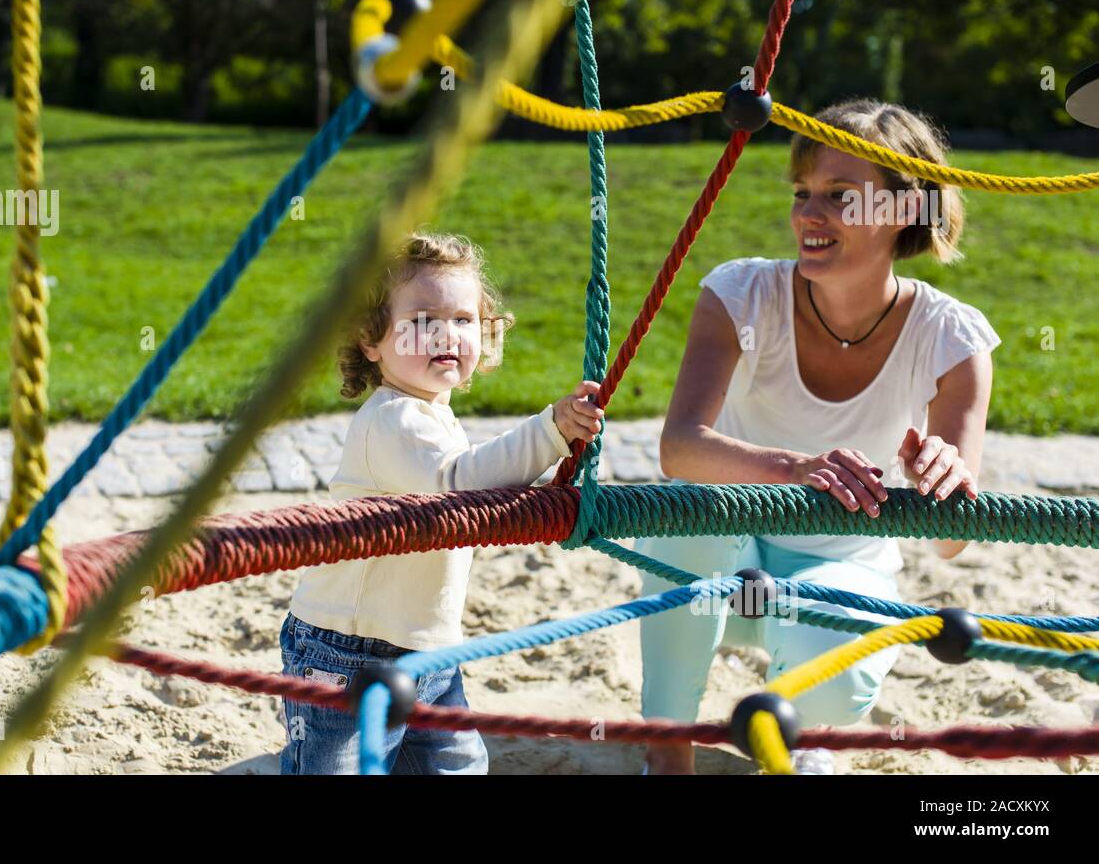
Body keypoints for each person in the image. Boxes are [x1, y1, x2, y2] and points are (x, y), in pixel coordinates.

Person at [638, 98, 1000, 775]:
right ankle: (667, 748)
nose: (809, 213)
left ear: (904, 211)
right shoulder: (740, 293)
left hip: (837, 568)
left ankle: (810, 732)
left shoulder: (953, 338)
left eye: (840, 195)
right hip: (726, 559)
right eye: (803, 192)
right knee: (692, 510)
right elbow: (679, 447)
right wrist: (795, 466)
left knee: (833, 684)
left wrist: (943, 480)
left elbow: (951, 543)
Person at [280, 233, 603, 774]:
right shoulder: (392, 419)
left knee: (454, 764)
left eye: (463, 320)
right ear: (370, 339)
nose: (445, 334)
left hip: (428, 647)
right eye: (424, 320)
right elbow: (458, 485)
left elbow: (475, 495)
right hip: (347, 649)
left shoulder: (431, 416)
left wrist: (539, 497)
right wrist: (552, 432)